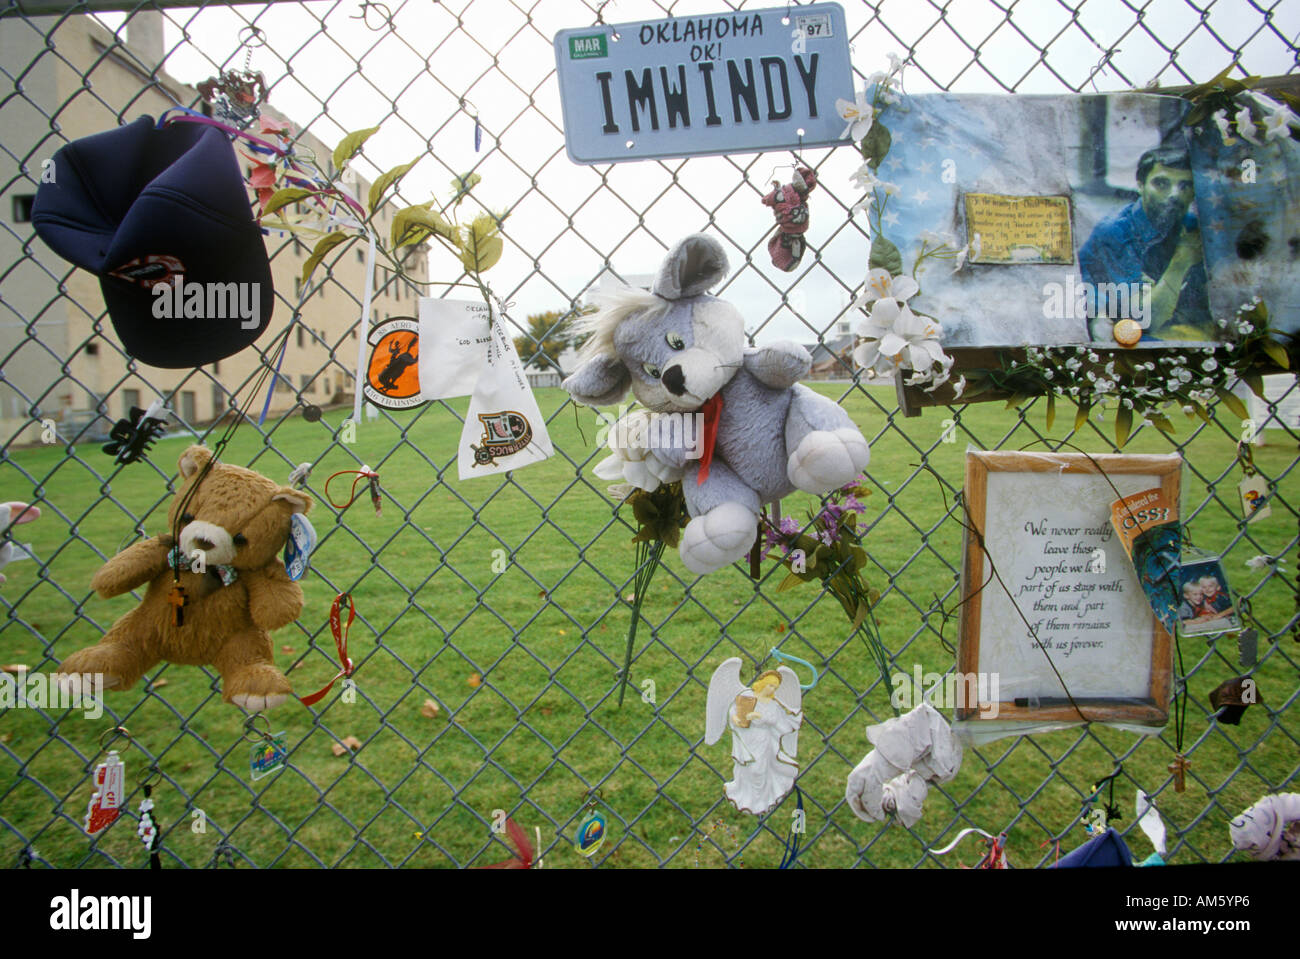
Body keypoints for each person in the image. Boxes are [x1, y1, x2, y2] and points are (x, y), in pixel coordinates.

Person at [1079, 145, 1212, 342]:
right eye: (1161, 184)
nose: (1175, 194)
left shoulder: (1192, 226)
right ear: (1140, 185)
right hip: (1114, 330)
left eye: (1185, 186)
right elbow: (1144, 320)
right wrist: (1181, 261)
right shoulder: (1115, 232)